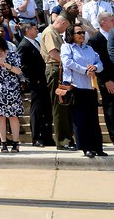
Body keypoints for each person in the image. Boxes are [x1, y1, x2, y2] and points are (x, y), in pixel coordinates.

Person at [62, 24, 105, 158]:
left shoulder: (89, 48)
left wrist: (95, 68)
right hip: (76, 86)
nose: (82, 35)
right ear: (71, 35)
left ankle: (97, 146)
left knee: (93, 118)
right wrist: (84, 70)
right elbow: (67, 62)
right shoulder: (67, 47)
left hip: (90, 86)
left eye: (83, 32)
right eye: (78, 33)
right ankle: (85, 147)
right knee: (80, 118)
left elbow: (100, 63)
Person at [41, 13, 76, 150]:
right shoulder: (50, 32)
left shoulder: (54, 32)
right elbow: (53, 54)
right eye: (67, 26)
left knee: (64, 104)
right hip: (55, 70)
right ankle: (62, 140)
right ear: (63, 22)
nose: (66, 30)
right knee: (59, 105)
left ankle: (67, 137)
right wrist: (71, 64)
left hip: (60, 70)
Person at [18, 23, 54, 147]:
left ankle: (46, 136)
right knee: (37, 110)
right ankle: (36, 136)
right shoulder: (24, 45)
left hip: (43, 81)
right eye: (34, 29)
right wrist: (32, 81)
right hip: (36, 82)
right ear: (27, 30)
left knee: (45, 109)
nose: (37, 30)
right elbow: (24, 66)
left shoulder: (36, 43)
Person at [0, 35, 23, 152]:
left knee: (13, 116)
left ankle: (16, 143)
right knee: (0, 116)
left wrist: (4, 63)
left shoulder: (12, 54)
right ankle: (3, 143)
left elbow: (18, 71)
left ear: (0, 43)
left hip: (12, 88)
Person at [88, 12, 114, 142]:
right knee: (110, 107)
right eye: (112, 20)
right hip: (107, 79)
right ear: (103, 22)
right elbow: (97, 62)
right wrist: (106, 80)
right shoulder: (95, 40)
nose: (113, 22)